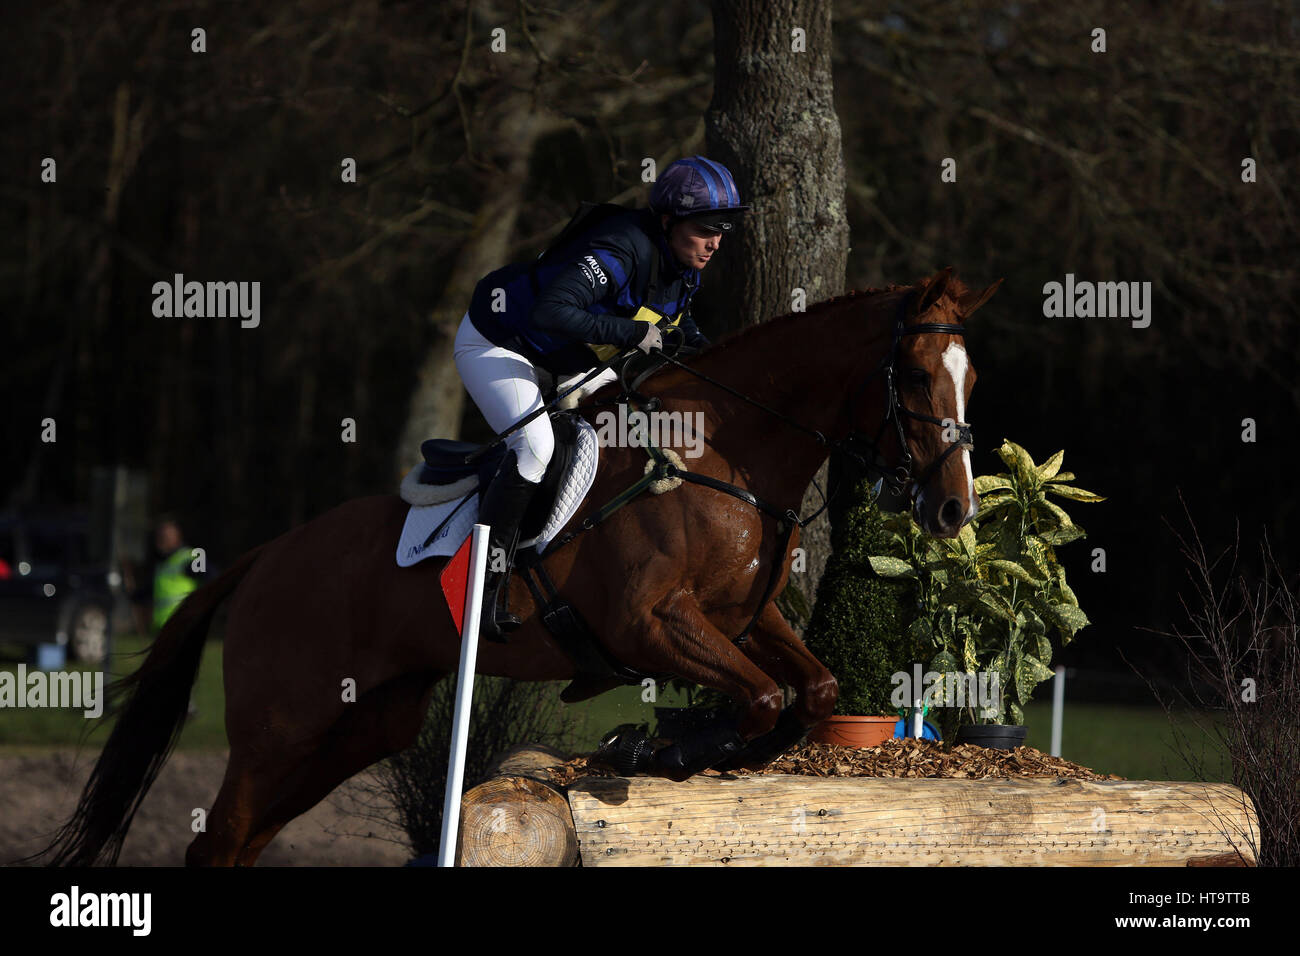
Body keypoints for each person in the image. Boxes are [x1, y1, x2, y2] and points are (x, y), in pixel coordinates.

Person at [456, 156, 750, 639]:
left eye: (723, 229)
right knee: (535, 449)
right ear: (668, 221)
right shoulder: (621, 246)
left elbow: (677, 323)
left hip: (568, 360)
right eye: (705, 228)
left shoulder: (682, 259)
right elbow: (553, 311)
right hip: (500, 343)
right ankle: (485, 582)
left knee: (631, 434)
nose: (716, 241)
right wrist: (635, 333)